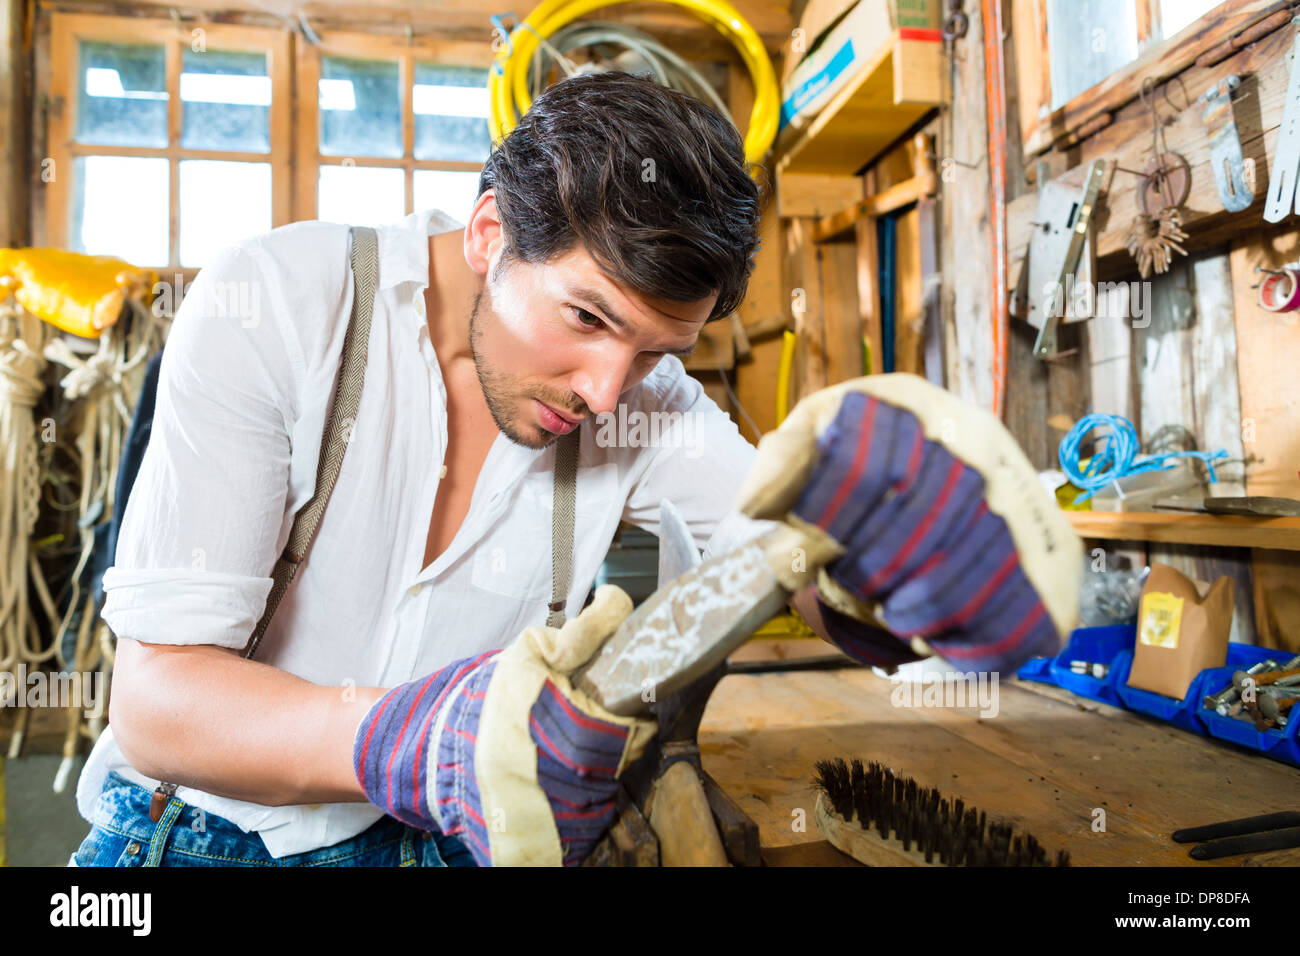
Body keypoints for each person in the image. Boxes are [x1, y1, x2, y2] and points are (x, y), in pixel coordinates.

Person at [70, 72, 1077, 868]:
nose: (605, 391)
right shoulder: (286, 305)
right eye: (587, 317)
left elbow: (787, 546)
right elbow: (158, 703)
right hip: (198, 834)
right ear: (488, 235)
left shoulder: (649, 402)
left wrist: (896, 592)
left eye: (651, 349)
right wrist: (407, 738)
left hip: (443, 846)